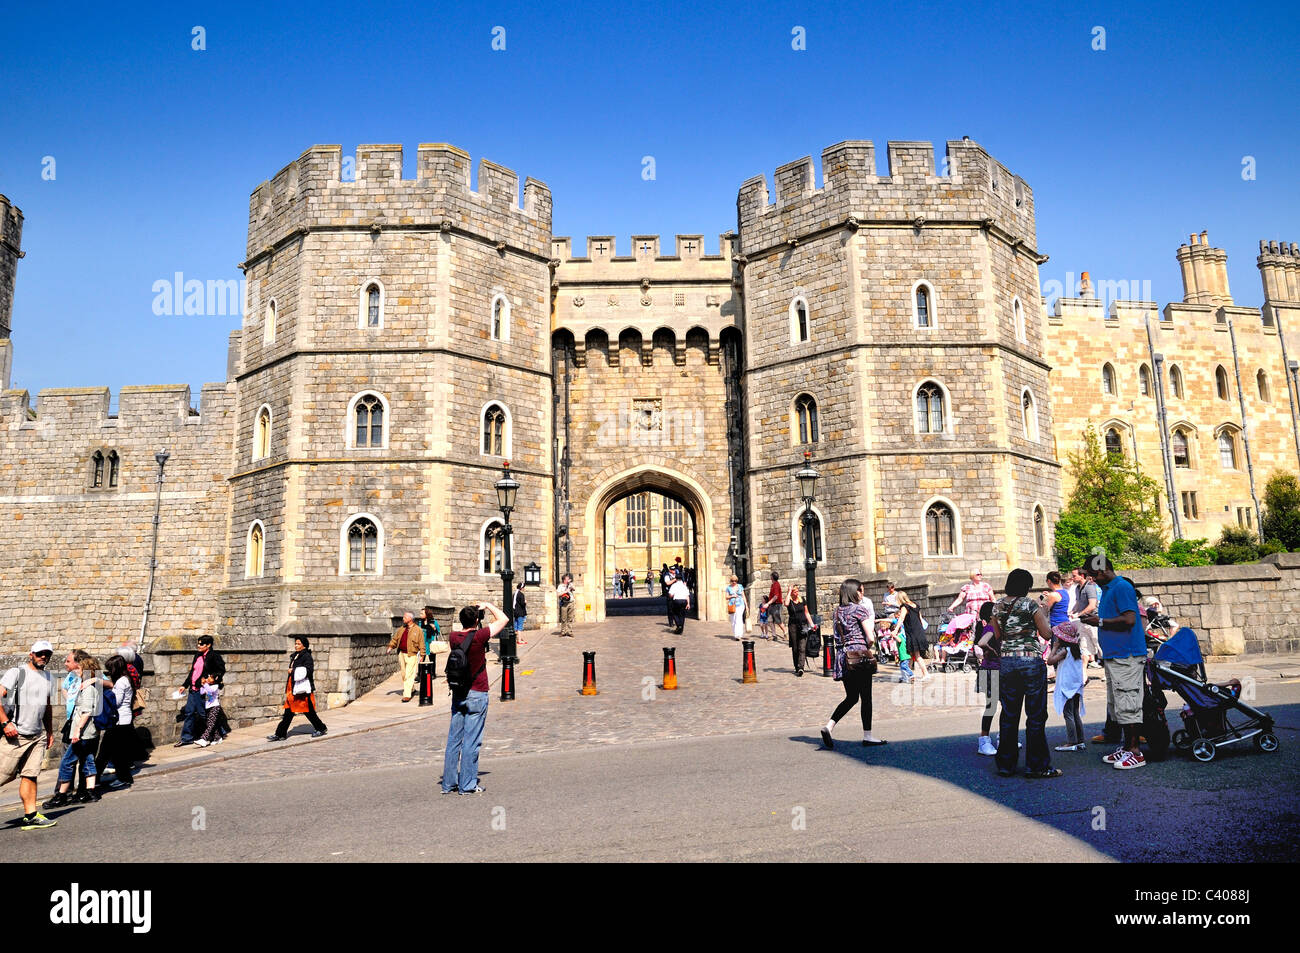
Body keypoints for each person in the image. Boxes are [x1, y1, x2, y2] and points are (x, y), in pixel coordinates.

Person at [1077, 557, 1148, 770]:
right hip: (1115, 655)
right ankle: (1128, 746)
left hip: (1127, 655)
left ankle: (1135, 751)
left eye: (1094, 574)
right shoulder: (1109, 589)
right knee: (1118, 704)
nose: (1092, 579)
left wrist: (1099, 621)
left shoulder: (1121, 587)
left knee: (1128, 702)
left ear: (1105, 569)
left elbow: (1129, 620)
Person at [990, 569, 1061, 779]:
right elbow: (1046, 633)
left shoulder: (997, 606)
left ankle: (1006, 764)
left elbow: (996, 634)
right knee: (1036, 715)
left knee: (1009, 715)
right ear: (1026, 586)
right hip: (1030, 661)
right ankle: (1036, 765)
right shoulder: (1029, 604)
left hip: (1007, 662)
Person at [442, 602, 508, 795]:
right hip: (477, 692)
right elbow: (503, 619)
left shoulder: (453, 637)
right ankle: (468, 784)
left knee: (454, 740)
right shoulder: (479, 636)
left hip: (458, 693)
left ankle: (449, 783)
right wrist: (487, 605)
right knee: (471, 741)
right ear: (477, 621)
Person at [821, 579, 886, 749]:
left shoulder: (837, 612)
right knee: (866, 697)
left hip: (843, 656)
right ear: (854, 592)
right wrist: (868, 647)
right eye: (861, 591)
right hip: (858, 657)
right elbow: (870, 637)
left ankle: (829, 726)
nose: (862, 594)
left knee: (851, 697)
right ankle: (868, 736)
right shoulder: (859, 610)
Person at [1, 640, 57, 830]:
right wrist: (5, 723)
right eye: (40, 653)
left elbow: (47, 706)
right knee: (2, 776)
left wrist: (49, 731)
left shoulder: (49, 677)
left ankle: (31, 815)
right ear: (31, 654)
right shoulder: (17, 673)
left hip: (37, 736)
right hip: (15, 735)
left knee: (30, 776)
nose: (44, 657)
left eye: (47, 654)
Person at [49, 652, 103, 805]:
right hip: (90, 732)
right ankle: (90, 792)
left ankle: (61, 795)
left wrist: (77, 731)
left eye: (79, 669)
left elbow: (86, 711)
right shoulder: (89, 686)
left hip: (82, 732)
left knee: (67, 763)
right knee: (88, 761)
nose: (76, 671)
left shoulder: (88, 687)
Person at [268, 637, 328, 741]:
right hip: (293, 689)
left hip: (302, 690)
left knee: (309, 711)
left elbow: (308, 671)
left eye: (298, 644)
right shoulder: (295, 656)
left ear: (304, 645)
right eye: (295, 643)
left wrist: (293, 671)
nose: (296, 645)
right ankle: (280, 734)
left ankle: (321, 728)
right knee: (288, 712)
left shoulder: (307, 656)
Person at [176, 635, 224, 746]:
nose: (199, 645)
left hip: (203, 689)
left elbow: (221, 671)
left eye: (201, 644)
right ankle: (186, 738)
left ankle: (214, 735)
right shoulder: (197, 655)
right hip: (193, 689)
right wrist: (185, 685)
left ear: (209, 645)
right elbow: (193, 672)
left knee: (204, 715)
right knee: (189, 713)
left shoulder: (214, 656)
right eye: (198, 643)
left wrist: (211, 679)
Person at [1048, 620, 1087, 751]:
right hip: (1076, 685)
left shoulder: (1065, 650)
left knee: (1068, 713)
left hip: (1067, 686)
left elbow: (1049, 661)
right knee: (1075, 713)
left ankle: (1072, 742)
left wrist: (1054, 647)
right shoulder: (1076, 650)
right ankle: (1080, 740)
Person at [99, 654, 136, 789]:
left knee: (112, 752)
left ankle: (124, 779)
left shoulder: (121, 682)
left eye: (110, 668)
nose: (109, 671)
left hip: (120, 721)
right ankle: (123, 778)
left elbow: (117, 701)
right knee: (113, 752)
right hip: (122, 720)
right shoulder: (125, 679)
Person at [974, 602, 1000, 755]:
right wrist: (989, 648)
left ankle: (1003, 737)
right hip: (991, 671)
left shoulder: (991, 627)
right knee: (992, 706)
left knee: (1003, 705)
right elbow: (982, 643)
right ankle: (984, 740)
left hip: (993, 670)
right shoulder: (990, 628)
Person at [1070, 567, 1103, 670]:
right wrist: (1072, 611)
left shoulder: (1089, 587)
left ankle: (1108, 670)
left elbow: (1092, 605)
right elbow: (1078, 602)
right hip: (1083, 621)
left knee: (1099, 645)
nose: (1072, 578)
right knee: (1084, 647)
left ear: (1082, 576)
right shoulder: (1077, 588)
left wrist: (1078, 614)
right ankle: (1083, 675)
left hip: (1092, 621)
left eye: (1074, 576)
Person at [894, 590, 931, 682]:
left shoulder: (904, 607)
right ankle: (906, 674)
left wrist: (895, 630)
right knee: (910, 655)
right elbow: (921, 619)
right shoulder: (915, 605)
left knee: (917, 656)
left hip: (912, 633)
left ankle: (926, 674)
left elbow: (901, 619)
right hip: (919, 631)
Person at [387, 611, 423, 702]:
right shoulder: (401, 629)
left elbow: (422, 643)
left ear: (410, 619)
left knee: (409, 675)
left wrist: (422, 655)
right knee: (404, 674)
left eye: (405, 617)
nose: (403, 618)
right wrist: (390, 647)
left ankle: (407, 695)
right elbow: (395, 639)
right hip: (401, 654)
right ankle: (412, 689)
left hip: (412, 654)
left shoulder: (418, 630)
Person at [786, 585, 813, 676]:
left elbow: (807, 613)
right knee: (795, 648)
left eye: (797, 591)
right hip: (793, 626)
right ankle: (796, 667)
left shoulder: (802, 599)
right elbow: (785, 604)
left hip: (803, 625)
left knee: (802, 647)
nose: (797, 593)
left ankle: (801, 667)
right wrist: (789, 591)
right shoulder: (789, 601)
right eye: (795, 592)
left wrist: (812, 624)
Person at [419, 606, 443, 677]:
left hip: (431, 642)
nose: (420, 615)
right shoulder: (420, 622)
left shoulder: (434, 622)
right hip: (422, 643)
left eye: (422, 613)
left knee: (432, 659)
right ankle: (420, 674)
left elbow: (438, 632)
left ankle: (432, 674)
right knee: (421, 659)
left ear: (427, 614)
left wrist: (434, 628)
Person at [724, 575, 747, 640]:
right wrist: (732, 596)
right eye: (732, 581)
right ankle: (736, 633)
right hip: (732, 605)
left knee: (738, 619)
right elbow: (726, 597)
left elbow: (743, 596)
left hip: (740, 604)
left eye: (735, 581)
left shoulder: (740, 586)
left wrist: (746, 605)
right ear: (730, 581)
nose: (734, 582)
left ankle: (738, 635)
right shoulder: (728, 588)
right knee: (733, 620)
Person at [767, 572, 786, 641]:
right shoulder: (773, 585)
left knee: (778, 621)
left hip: (777, 605)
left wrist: (768, 603)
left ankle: (785, 633)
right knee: (770, 620)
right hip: (772, 605)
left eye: (771, 576)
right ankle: (774, 635)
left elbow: (776, 597)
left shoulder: (776, 585)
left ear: (772, 577)